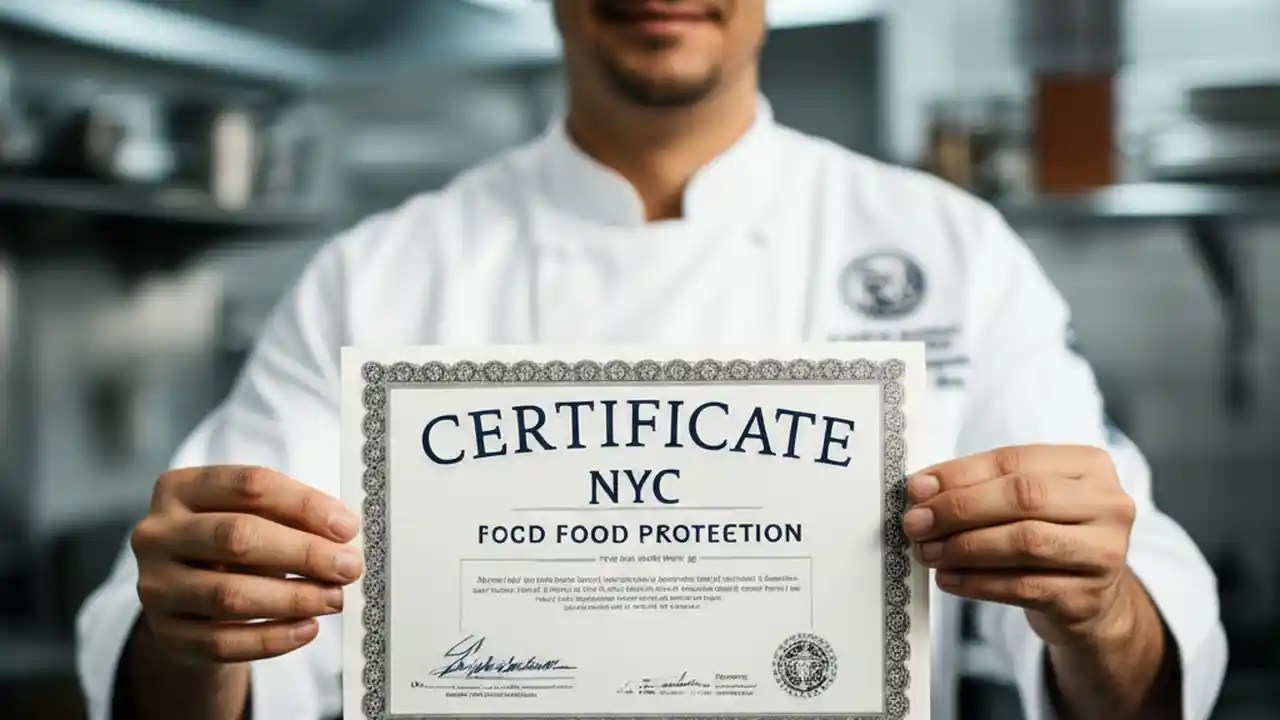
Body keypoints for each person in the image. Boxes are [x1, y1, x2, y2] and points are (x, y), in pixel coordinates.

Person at [76, 1, 1227, 719]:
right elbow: (207, 671)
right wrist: (196, 622)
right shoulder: (374, 274)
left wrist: (1097, 605)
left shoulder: (946, 247)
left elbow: (1126, 678)